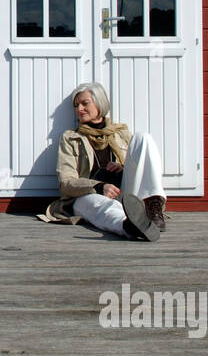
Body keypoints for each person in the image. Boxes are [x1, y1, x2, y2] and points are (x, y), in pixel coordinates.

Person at [39, 82, 167, 241]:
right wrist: (99, 187)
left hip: (123, 193)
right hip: (86, 195)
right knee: (100, 204)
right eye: (76, 105)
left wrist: (122, 168)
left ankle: (153, 206)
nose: (79, 109)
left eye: (85, 103)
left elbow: (136, 167)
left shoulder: (121, 132)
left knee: (144, 138)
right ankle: (129, 226)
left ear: (100, 102)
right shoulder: (70, 138)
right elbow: (66, 183)